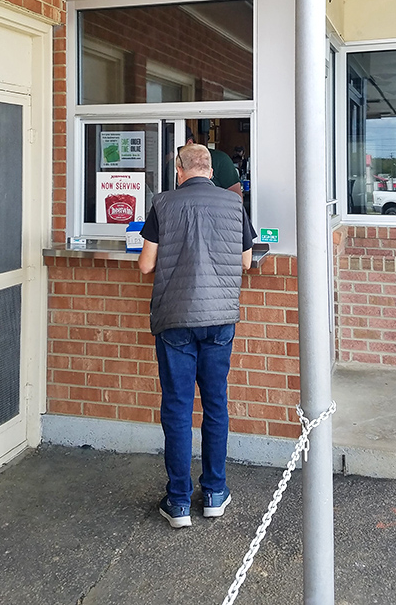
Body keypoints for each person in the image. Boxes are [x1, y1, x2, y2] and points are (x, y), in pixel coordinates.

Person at [138, 143, 255, 528]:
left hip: (175, 319)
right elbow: (244, 261)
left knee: (176, 407)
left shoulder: (163, 204)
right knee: (215, 404)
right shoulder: (233, 205)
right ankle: (215, 493)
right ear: (210, 170)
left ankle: (178, 502)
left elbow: (145, 266)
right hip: (219, 318)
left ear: (179, 170)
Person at [185, 127, 242, 197]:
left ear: (189, 143)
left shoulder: (220, 159)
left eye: (173, 144)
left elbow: (236, 198)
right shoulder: (171, 163)